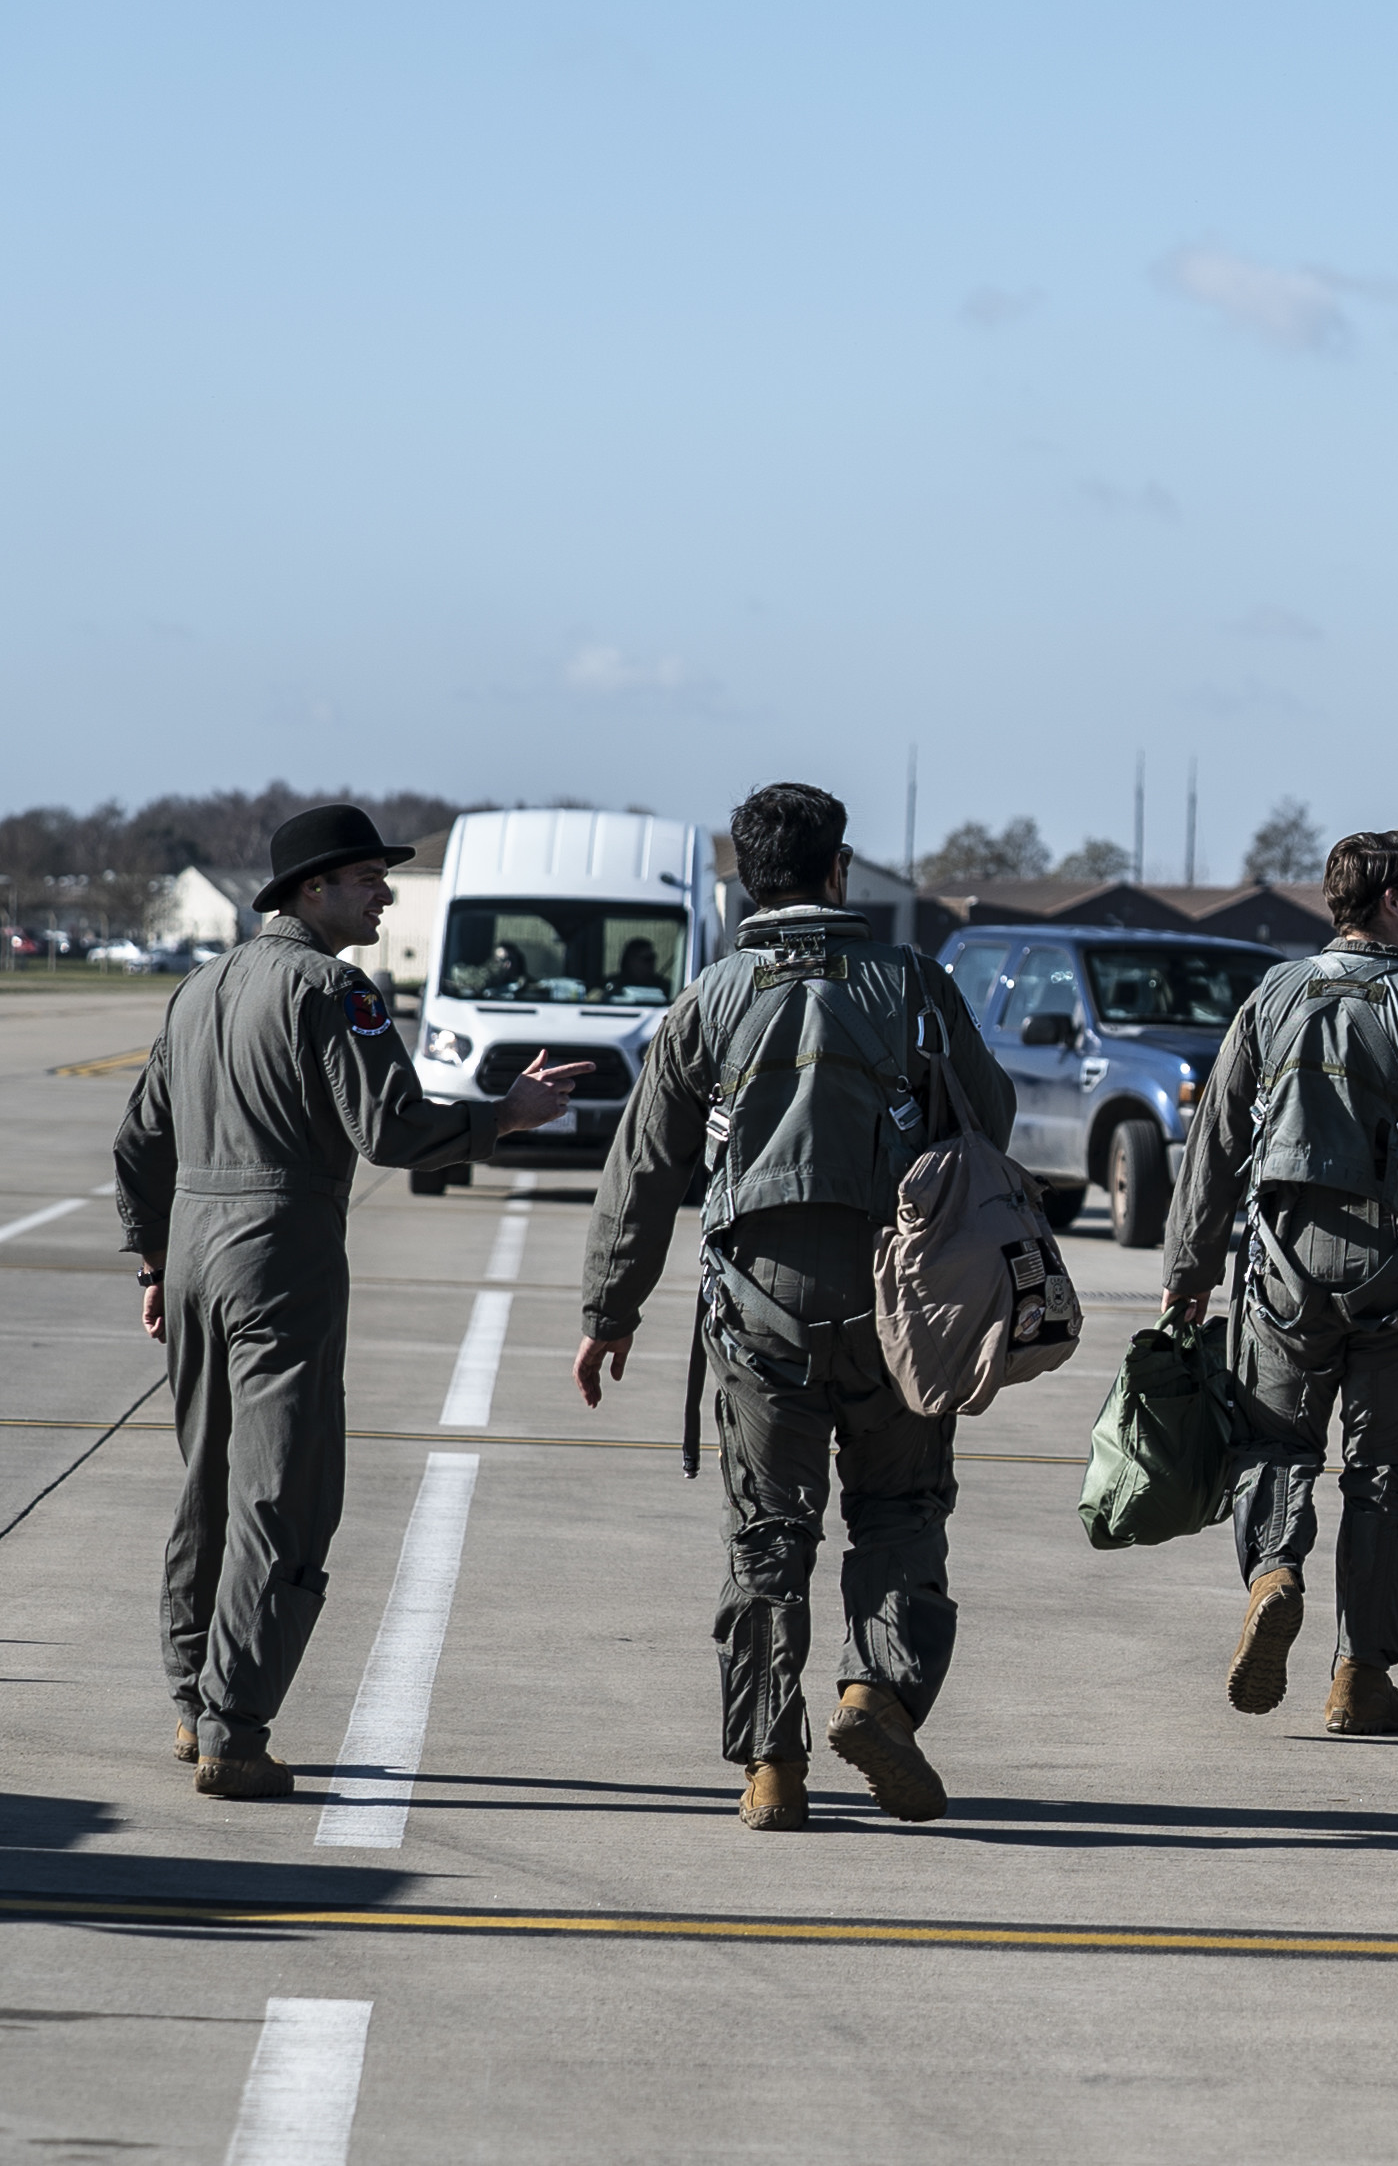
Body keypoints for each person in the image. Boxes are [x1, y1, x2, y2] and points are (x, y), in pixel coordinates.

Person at [113, 805, 586, 1798]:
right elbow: (392, 1130)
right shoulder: (333, 989)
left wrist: (154, 1264)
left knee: (206, 1476)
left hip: (195, 1250)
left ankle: (192, 1695)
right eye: (368, 877)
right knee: (283, 1488)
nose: (383, 893)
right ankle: (235, 1729)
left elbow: (140, 1142)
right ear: (312, 889)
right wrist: (507, 1114)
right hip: (278, 1251)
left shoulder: (199, 987)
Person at [575, 783, 1015, 1832]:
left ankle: (772, 1762)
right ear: (838, 871)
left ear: (744, 879)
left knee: (768, 1535)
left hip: (758, 1313)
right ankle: (876, 1694)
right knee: (901, 1511)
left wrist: (609, 1309)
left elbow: (644, 1165)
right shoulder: (913, 985)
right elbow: (990, 1116)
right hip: (896, 1311)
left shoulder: (710, 1000)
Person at [1162, 829, 1398, 1735]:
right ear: (1392, 902)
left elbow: (1213, 1151)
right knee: (1384, 1471)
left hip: (1279, 1264)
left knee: (1273, 1445)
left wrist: (1188, 1274)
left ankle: (1275, 1572)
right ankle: (1360, 1678)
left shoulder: (1270, 997)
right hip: (1395, 1268)